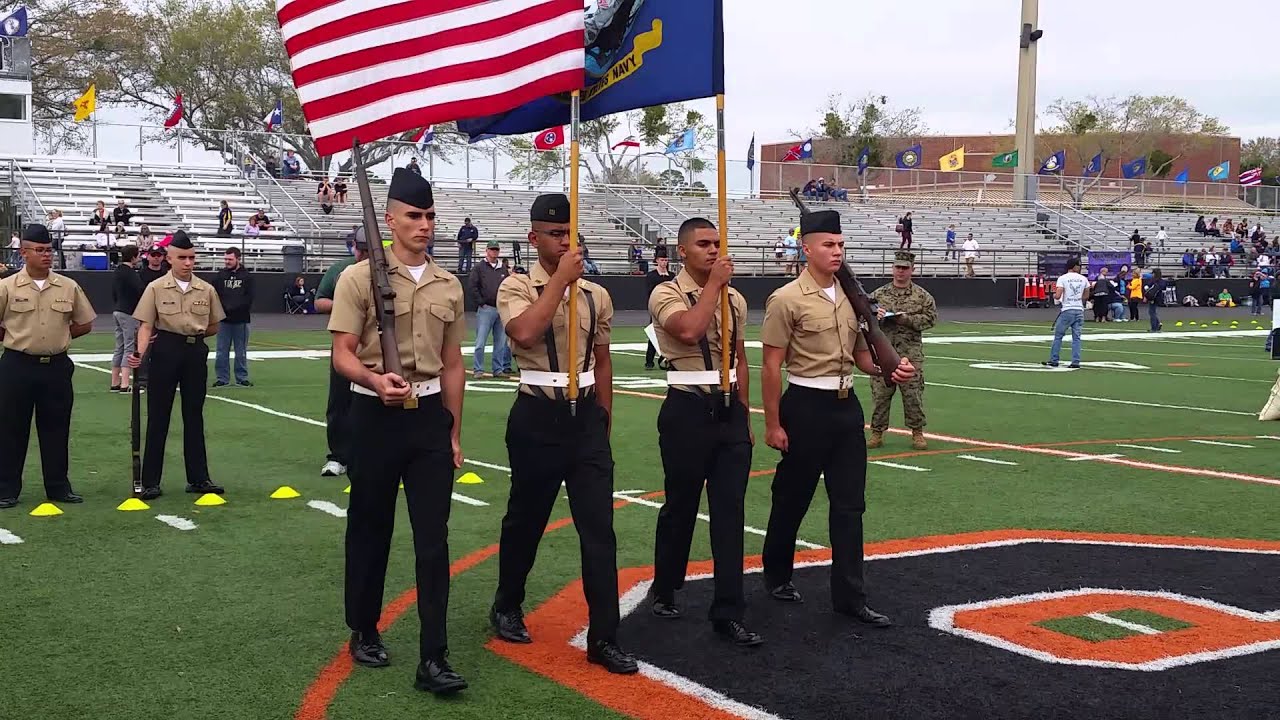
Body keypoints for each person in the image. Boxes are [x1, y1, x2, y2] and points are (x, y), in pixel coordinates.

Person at [327, 169, 469, 695]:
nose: (425, 225)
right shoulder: (359, 278)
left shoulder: (449, 284)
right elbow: (342, 353)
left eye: (430, 216)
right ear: (389, 219)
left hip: (429, 418)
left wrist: (453, 430)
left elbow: (453, 363)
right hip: (373, 417)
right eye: (414, 215)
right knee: (371, 527)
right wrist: (372, 377)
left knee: (434, 539)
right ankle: (364, 627)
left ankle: (434, 656)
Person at [489, 193, 638, 675]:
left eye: (570, 233)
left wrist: (605, 415)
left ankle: (604, 636)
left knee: (599, 530)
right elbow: (525, 334)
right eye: (555, 234)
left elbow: (603, 358)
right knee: (525, 520)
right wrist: (559, 281)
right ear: (534, 238)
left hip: (586, 419)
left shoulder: (597, 295)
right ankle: (507, 604)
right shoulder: (515, 286)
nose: (565, 241)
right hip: (537, 415)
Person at [759, 209, 916, 627]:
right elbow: (771, 365)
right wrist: (773, 424)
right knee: (792, 498)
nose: (837, 251)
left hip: (847, 410)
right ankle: (776, 576)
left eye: (841, 244)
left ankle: (850, 597)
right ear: (806, 248)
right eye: (828, 245)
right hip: (805, 406)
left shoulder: (852, 298)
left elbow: (862, 355)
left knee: (850, 506)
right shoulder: (786, 298)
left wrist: (889, 367)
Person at [647, 217, 762, 646]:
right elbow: (689, 329)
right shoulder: (666, 292)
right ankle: (666, 585)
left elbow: (741, 358)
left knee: (730, 513)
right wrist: (714, 286)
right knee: (680, 506)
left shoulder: (736, 299)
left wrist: (746, 417)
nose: (713, 250)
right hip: (687, 410)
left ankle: (728, 610)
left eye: (717, 243)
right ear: (682, 251)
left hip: (728, 411)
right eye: (703, 244)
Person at [0, 224, 96, 509]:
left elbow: (84, 322)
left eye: (48, 250)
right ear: (24, 253)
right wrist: (17, 338)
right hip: (17, 365)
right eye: (39, 251)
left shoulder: (67, 286)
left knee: (56, 428)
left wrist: (61, 338)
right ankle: (6, 489)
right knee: (11, 429)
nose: (46, 255)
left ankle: (58, 487)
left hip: (55, 366)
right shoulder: (6, 286)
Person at [126, 231, 226, 499]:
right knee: (159, 416)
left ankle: (198, 478)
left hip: (194, 352)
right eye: (182, 257)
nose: (188, 262)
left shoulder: (206, 289)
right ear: (169, 258)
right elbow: (146, 325)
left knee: (194, 416)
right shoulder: (156, 288)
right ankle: (150, 482)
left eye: (192, 257)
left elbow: (214, 325)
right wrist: (141, 353)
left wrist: (193, 336)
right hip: (165, 351)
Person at [867, 251, 937, 451]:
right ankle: (877, 433)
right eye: (897, 267)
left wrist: (905, 319)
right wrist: (876, 317)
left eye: (905, 268)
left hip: (910, 353)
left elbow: (931, 319)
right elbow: (863, 319)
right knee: (880, 394)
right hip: (884, 352)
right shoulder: (878, 295)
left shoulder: (922, 296)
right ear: (892, 269)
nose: (900, 272)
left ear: (912, 270)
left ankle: (917, 433)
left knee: (912, 395)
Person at [314, 228, 368, 478]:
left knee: (374, 404)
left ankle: (370, 454)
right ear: (354, 248)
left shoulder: (389, 270)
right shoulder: (340, 271)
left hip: (378, 348)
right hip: (347, 346)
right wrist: (345, 305)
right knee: (339, 402)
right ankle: (338, 455)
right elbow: (319, 301)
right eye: (363, 250)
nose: (366, 255)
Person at [468, 240, 511, 378]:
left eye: (496, 250)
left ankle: (498, 369)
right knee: (480, 341)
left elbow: (508, 286)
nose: (494, 252)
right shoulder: (479, 268)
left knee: (500, 342)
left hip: (500, 308)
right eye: (492, 249)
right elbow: (473, 285)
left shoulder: (503, 268)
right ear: (486, 251)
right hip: (486, 309)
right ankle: (478, 369)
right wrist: (481, 302)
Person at [214, 247, 255, 388]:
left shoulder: (247, 277)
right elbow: (215, 295)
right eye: (225, 259)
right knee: (221, 352)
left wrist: (234, 307)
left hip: (241, 320)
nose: (227, 262)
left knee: (241, 352)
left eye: (230, 259)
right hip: (223, 321)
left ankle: (241, 377)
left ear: (238, 258)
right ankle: (222, 378)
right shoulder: (220, 276)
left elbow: (249, 298)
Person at [110, 245, 144, 393]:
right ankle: (125, 384)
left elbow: (113, 291)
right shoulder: (130, 273)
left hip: (117, 309)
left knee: (120, 346)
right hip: (128, 311)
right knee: (129, 346)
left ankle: (115, 382)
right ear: (133, 257)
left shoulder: (117, 271)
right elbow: (141, 291)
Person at [1043, 257, 1089, 368]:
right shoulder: (1083, 279)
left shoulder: (1063, 278)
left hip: (1067, 309)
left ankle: (1054, 359)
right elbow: (1086, 296)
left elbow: (1058, 295)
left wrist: (1054, 296)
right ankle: (1076, 361)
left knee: (1058, 336)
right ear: (1075, 266)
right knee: (1076, 337)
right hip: (1079, 309)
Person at [644, 254, 673, 370]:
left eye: (666, 260)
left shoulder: (671, 275)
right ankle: (649, 360)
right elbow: (650, 292)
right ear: (657, 261)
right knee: (654, 334)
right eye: (662, 260)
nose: (664, 262)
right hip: (657, 307)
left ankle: (669, 359)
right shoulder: (651, 276)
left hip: (670, 307)